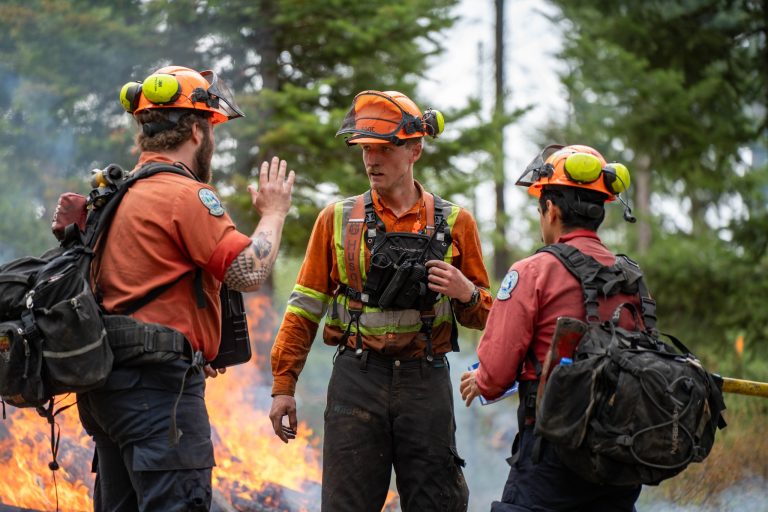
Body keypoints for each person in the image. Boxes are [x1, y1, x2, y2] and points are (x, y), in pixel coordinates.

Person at [76, 65, 295, 511]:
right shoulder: (183, 195)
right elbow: (248, 272)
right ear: (197, 131)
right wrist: (273, 213)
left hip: (109, 393)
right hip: (158, 400)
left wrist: (184, 344)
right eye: (211, 129)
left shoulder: (116, 197)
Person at [268, 90, 492, 511]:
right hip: (357, 379)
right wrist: (284, 386)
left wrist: (466, 292)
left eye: (384, 149)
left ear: (415, 150)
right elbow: (303, 309)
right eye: (365, 148)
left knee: (437, 504)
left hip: (425, 380)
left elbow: (486, 316)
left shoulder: (457, 223)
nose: (371, 160)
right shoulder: (335, 219)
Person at [459, 144, 643, 511]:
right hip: (619, 453)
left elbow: (495, 375)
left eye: (540, 207)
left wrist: (478, 381)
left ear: (552, 209)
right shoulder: (631, 276)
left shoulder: (532, 271)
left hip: (554, 452)